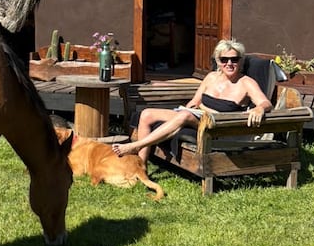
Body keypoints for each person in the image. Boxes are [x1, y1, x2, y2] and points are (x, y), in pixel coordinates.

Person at [112, 39, 272, 165]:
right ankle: (142, 166)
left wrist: (259, 109)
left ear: (240, 61)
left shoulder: (246, 83)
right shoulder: (211, 77)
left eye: (234, 59)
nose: (229, 63)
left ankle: (135, 146)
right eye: (224, 59)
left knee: (185, 116)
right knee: (147, 114)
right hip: (196, 116)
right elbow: (194, 102)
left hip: (216, 125)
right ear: (218, 61)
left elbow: (266, 103)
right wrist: (180, 112)